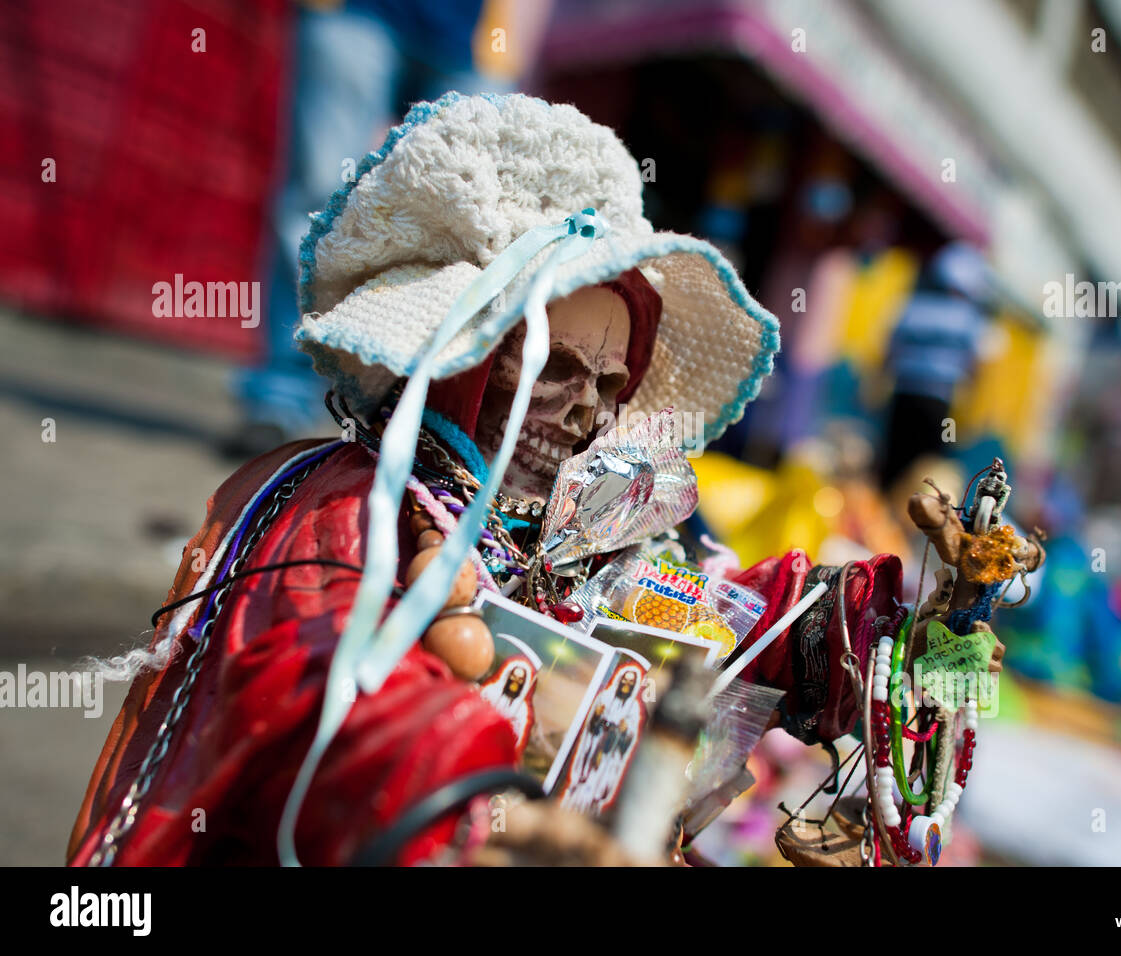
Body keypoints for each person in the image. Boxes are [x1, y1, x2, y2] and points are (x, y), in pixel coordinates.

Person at [68, 94, 986, 867]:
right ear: (468, 362)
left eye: (608, 386)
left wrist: (909, 627)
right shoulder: (349, 505)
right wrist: (495, 813)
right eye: (550, 367)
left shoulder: (581, 538)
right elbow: (309, 702)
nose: (586, 414)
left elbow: (719, 629)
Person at [228, 0, 493, 455]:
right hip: (354, 12)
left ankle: (426, 418)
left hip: (476, 32)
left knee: (466, 220)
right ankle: (281, 397)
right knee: (318, 194)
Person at [879, 241, 991, 489]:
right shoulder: (969, 320)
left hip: (903, 393)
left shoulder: (913, 306)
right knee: (926, 463)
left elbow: (890, 349)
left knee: (893, 455)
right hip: (938, 400)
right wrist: (972, 408)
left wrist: (878, 383)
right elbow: (976, 366)